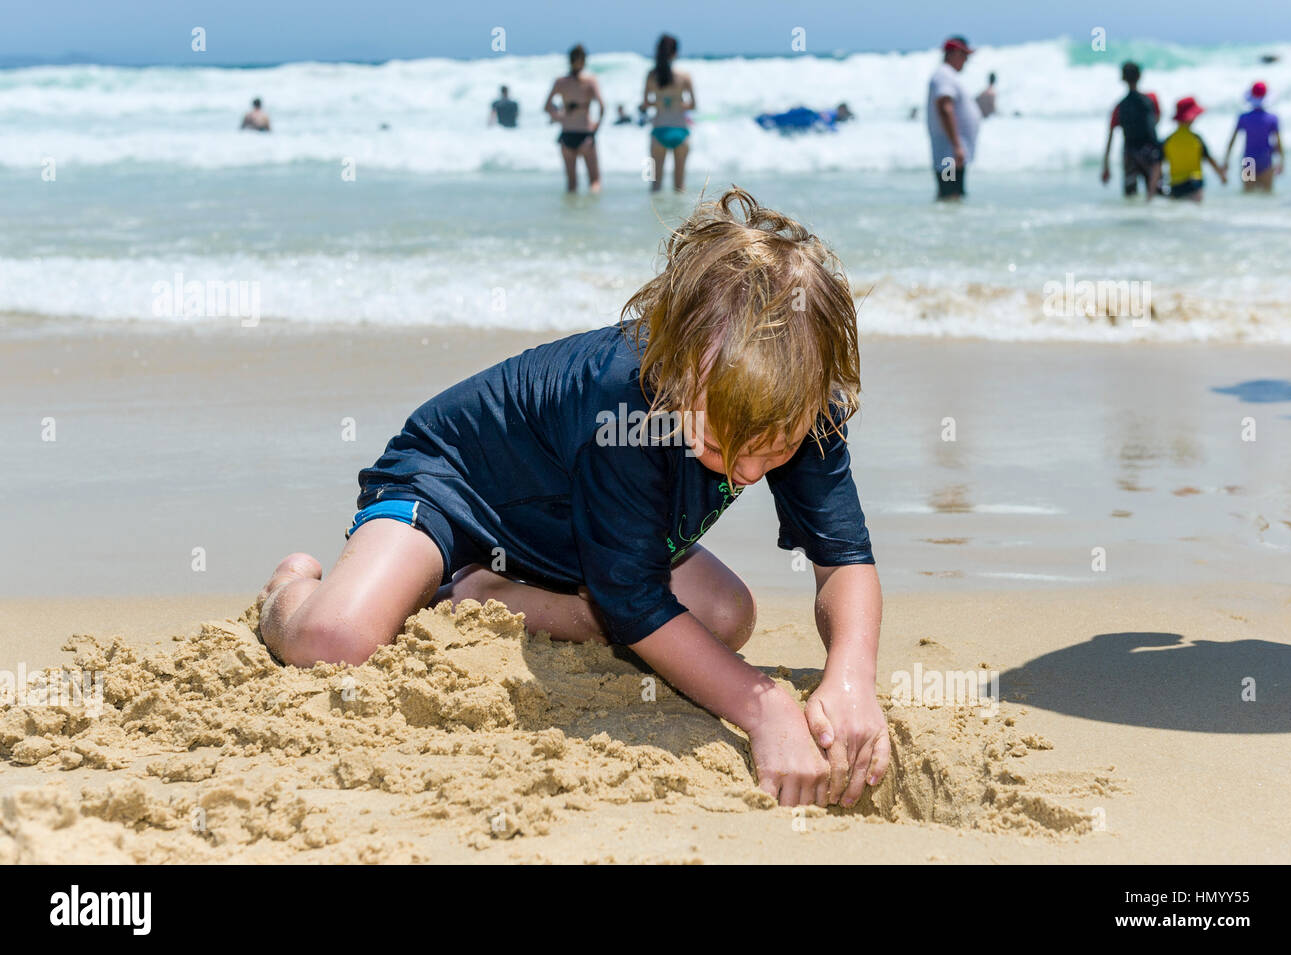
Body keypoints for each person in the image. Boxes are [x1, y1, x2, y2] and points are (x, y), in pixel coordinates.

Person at [255, 188, 888, 809]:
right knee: (335, 642)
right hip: (452, 490)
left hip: (577, 544)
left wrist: (852, 677)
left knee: (725, 615)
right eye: (720, 445)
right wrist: (763, 706)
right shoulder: (625, 401)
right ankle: (292, 589)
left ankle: (481, 593)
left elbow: (844, 558)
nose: (748, 473)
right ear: (677, 371)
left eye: (774, 450)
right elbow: (636, 604)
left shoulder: (804, 408)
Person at [926, 35, 981, 200]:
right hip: (948, 155)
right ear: (954, 53)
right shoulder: (944, 75)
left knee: (952, 194)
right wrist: (956, 145)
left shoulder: (946, 75)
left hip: (951, 153)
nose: (966, 60)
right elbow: (945, 108)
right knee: (949, 195)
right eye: (964, 56)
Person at [544, 45, 605, 193]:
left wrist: (560, 118)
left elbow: (547, 107)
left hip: (566, 133)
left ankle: (571, 215)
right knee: (594, 182)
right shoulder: (590, 81)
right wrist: (596, 127)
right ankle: (593, 214)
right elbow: (602, 106)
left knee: (571, 184)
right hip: (585, 132)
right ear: (584, 61)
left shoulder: (560, 82)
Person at [1101, 61, 1162, 198]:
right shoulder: (1151, 99)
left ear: (1123, 78)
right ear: (1140, 76)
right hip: (1150, 151)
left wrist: (1106, 166)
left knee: (1130, 195)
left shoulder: (1119, 106)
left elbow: (1110, 136)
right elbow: (1157, 119)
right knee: (1156, 194)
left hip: (1130, 153)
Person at [643, 34, 695, 193]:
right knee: (680, 187)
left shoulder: (651, 75)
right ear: (675, 52)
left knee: (654, 184)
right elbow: (693, 105)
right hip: (680, 131)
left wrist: (660, 102)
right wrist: (678, 103)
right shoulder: (684, 76)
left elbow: (645, 104)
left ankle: (655, 217)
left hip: (658, 130)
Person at [1163, 96, 1227, 201]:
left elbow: (1158, 165)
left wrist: (1151, 192)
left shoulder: (1169, 140)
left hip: (1175, 185)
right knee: (1195, 212)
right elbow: (1209, 159)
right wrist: (1221, 175)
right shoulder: (1196, 139)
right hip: (1194, 184)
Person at [1225, 82, 1284, 192]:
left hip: (1248, 161)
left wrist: (1226, 160)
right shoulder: (1272, 118)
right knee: (1267, 194)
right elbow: (1278, 142)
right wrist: (1281, 161)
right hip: (1265, 159)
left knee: (1248, 194)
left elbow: (1232, 140)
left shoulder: (1244, 117)